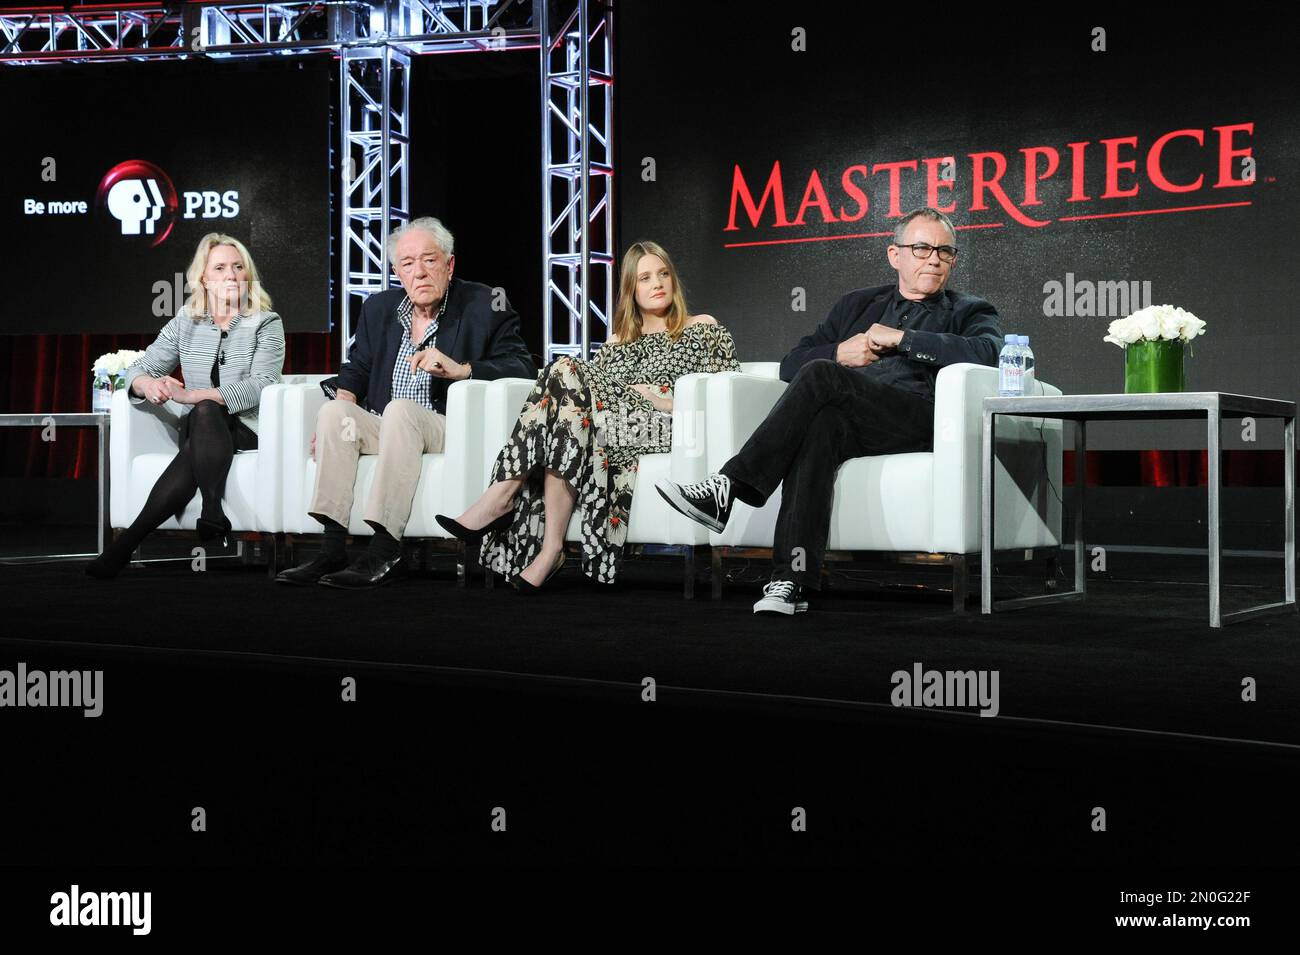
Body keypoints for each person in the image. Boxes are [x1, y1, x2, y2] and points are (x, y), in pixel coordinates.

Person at [655, 207, 1004, 614]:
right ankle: (789, 581)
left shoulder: (970, 310)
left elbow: (988, 353)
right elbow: (791, 363)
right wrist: (842, 352)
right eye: (922, 247)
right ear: (895, 255)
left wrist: (903, 338)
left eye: (945, 251)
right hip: (854, 419)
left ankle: (728, 488)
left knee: (822, 374)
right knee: (820, 422)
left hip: (918, 419)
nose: (933, 258)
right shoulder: (856, 305)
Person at [436, 240, 740, 592]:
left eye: (663, 274)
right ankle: (551, 550)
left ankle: (503, 493)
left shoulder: (701, 327)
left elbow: (723, 396)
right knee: (567, 416)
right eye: (644, 278)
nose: (657, 283)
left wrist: (662, 400)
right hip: (606, 429)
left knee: (565, 367)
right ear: (630, 289)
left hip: (665, 428)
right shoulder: (615, 344)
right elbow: (581, 396)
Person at [275, 216, 535, 589]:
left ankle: (385, 549)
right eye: (408, 264)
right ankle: (331, 548)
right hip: (390, 429)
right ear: (397, 271)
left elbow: (522, 365)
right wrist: (346, 398)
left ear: (449, 265)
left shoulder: (484, 303)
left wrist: (461, 369)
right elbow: (358, 367)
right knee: (334, 412)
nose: (420, 273)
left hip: (446, 427)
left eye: (429, 260)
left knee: (401, 411)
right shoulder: (380, 308)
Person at [86, 233, 286, 578]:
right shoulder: (186, 322)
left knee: (205, 409)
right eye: (221, 268)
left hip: (248, 428)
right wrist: (147, 384)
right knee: (203, 419)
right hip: (202, 430)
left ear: (248, 275)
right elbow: (139, 368)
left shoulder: (265, 323)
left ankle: (126, 544)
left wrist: (191, 396)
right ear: (204, 279)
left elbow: (262, 385)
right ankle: (211, 513)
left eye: (238, 267)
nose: (231, 275)